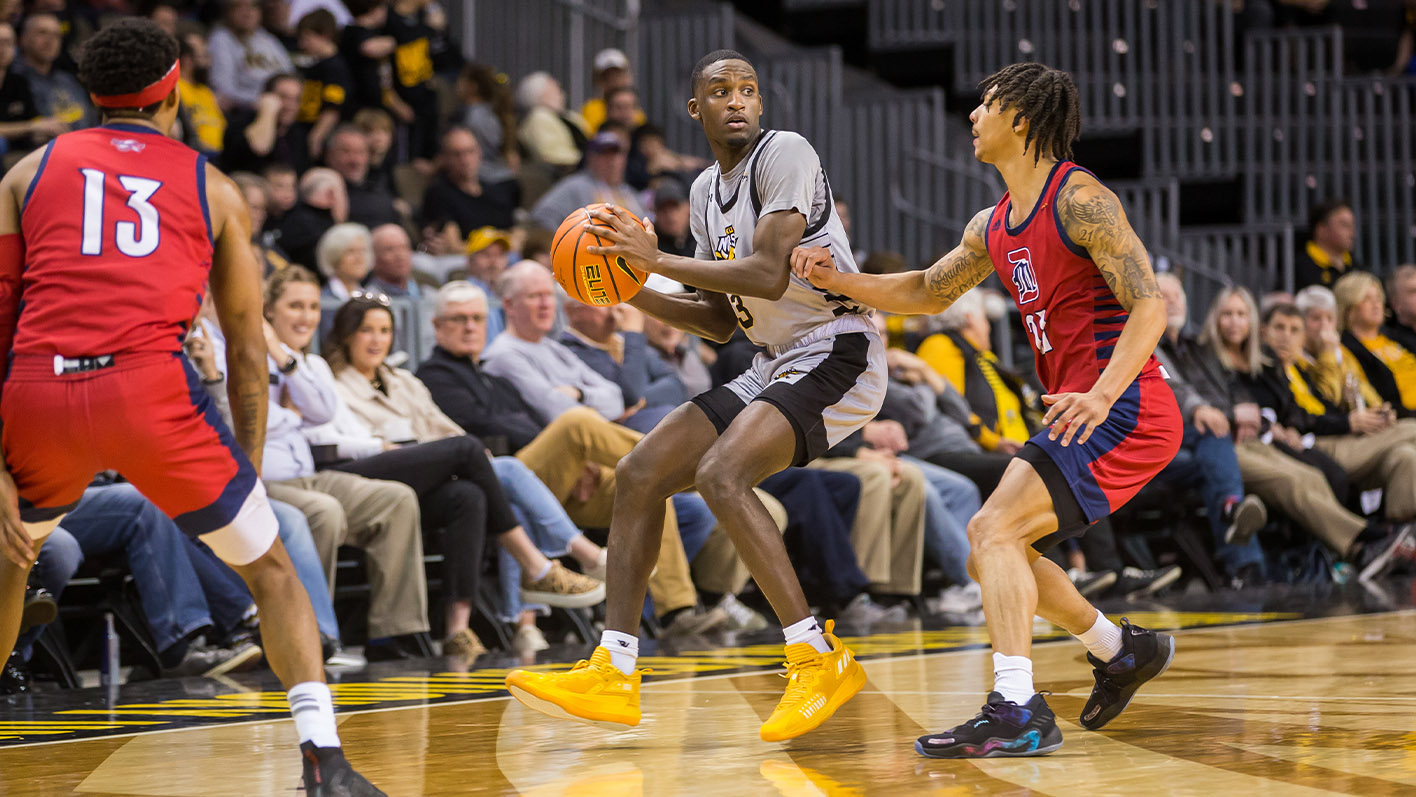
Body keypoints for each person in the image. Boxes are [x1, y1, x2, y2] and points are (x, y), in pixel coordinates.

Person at [0, 20, 381, 794]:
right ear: (173, 92)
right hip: (149, 392)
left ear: (91, 96)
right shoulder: (213, 187)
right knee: (273, 569)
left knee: (11, 553)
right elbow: (247, 347)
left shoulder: (25, 172)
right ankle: (323, 759)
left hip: (40, 391)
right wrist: (244, 460)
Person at [795, 62, 1185, 757]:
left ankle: (1017, 707)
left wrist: (1101, 392)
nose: (973, 116)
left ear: (1023, 119)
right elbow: (924, 289)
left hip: (1123, 406)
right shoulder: (994, 224)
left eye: (987, 105)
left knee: (992, 530)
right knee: (992, 549)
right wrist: (836, 280)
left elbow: (1149, 302)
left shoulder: (1081, 199)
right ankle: (1118, 649)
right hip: (1077, 411)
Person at [506, 49, 886, 742]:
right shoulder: (707, 193)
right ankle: (614, 668)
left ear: (760, 105)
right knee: (640, 471)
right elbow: (719, 318)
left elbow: (769, 275)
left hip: (839, 347)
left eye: (747, 90)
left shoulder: (786, 153)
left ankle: (816, 656)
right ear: (696, 109)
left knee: (721, 473)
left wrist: (650, 261)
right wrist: (630, 288)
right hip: (773, 359)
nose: (736, 100)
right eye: (720, 91)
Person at [418, 281, 722, 637]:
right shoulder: (442, 375)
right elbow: (505, 427)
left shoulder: (488, 375)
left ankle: (676, 613)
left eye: (476, 318)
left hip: (552, 479)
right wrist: (572, 444)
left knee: (648, 486)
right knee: (577, 423)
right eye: (458, 319)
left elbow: (620, 397)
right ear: (437, 326)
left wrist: (582, 452)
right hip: (505, 481)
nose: (470, 327)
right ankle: (695, 463)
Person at [1334, 271, 1416, 415]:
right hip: (1402, 418)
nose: (1376, 303)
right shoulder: (1346, 349)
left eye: (1378, 297)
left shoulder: (1397, 338)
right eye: (1366, 298)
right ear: (1348, 306)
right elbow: (1377, 401)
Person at [530, 130, 645, 231]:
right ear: (591, 158)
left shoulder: (631, 193)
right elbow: (542, 216)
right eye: (605, 154)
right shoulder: (575, 186)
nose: (612, 161)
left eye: (616, 154)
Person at [208, 0, 294, 112]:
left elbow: (290, 73)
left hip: (282, 105)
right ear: (228, 11)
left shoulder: (266, 38)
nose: (247, 13)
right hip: (247, 112)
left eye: (253, 6)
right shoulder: (221, 39)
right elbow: (223, 91)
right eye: (239, 7)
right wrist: (261, 100)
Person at [324, 124, 399, 229]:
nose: (355, 160)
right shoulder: (320, 194)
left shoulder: (380, 190)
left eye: (360, 152)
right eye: (346, 152)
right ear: (329, 155)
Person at [1294, 199, 1361, 289]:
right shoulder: (1298, 268)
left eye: (1352, 225)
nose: (1353, 233)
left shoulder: (1357, 268)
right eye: (1344, 225)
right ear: (1321, 230)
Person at [316, 222, 374, 303]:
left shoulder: (371, 298)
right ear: (334, 257)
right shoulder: (321, 300)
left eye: (362, 251)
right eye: (351, 251)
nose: (359, 258)